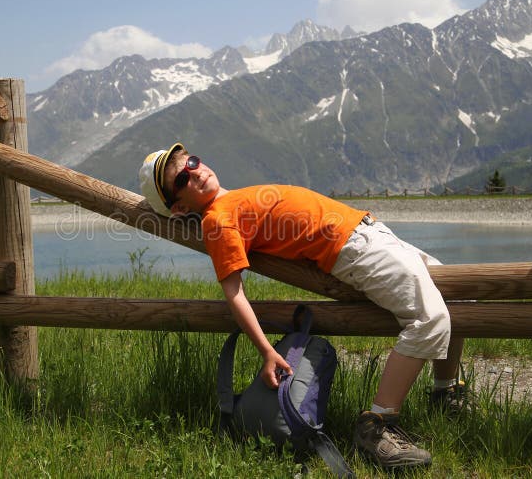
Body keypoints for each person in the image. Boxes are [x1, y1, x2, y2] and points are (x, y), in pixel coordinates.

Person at [138, 143, 466, 469]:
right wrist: (266, 350)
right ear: (178, 208)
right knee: (429, 318)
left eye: (191, 162)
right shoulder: (217, 221)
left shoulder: (233, 198)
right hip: (352, 248)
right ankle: (376, 427)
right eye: (180, 180)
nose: (193, 172)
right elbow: (234, 293)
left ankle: (444, 395)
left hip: (370, 232)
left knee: (462, 302)